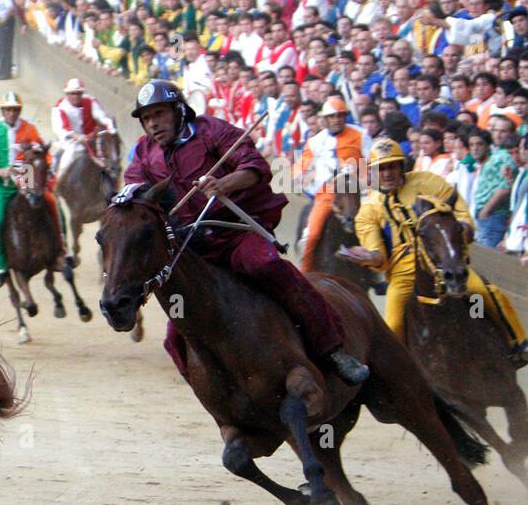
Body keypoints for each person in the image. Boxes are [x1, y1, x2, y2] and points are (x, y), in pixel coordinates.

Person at [122, 79, 370, 386]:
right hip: (191, 246)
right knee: (175, 332)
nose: (153, 123)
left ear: (178, 111)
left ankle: (333, 349)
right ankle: (211, 390)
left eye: (158, 114)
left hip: (234, 231)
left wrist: (225, 183)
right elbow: (134, 191)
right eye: (147, 118)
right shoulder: (144, 154)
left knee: (266, 266)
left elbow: (255, 166)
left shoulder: (213, 130)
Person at [343, 139, 528, 368]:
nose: (388, 173)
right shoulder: (368, 210)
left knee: (483, 294)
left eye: (392, 166)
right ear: (373, 171)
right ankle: (398, 374)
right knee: (392, 322)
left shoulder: (427, 182)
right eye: (381, 168)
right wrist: (371, 258)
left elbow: (459, 207)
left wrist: (465, 227)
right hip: (404, 276)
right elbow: (378, 253)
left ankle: (517, 343)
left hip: (446, 262)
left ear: (402, 166)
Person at [0, 92, 66, 287]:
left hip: (27, 178)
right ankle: (0, 266)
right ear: (3, 111)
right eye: (8, 110)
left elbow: (43, 153)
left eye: (15, 110)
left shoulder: (29, 129)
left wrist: (46, 170)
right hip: (2, 186)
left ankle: (60, 250)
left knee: (52, 202)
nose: (12, 113)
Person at [298, 96, 372, 272]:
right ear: (324, 119)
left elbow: (372, 162)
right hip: (327, 194)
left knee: (376, 226)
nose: (337, 120)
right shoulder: (314, 141)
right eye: (332, 116)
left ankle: (377, 275)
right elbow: (302, 168)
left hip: (359, 191)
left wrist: (366, 181)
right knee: (312, 235)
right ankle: (306, 273)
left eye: (340, 116)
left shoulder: (361, 134)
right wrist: (304, 182)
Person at [50, 77, 117, 180]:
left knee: (110, 156)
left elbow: (101, 116)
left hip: (92, 140)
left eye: (78, 93)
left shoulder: (90, 100)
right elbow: (61, 129)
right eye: (72, 93)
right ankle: (60, 185)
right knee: (66, 162)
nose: (76, 96)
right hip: (71, 143)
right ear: (67, 94)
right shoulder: (60, 107)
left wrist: (110, 127)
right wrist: (77, 136)